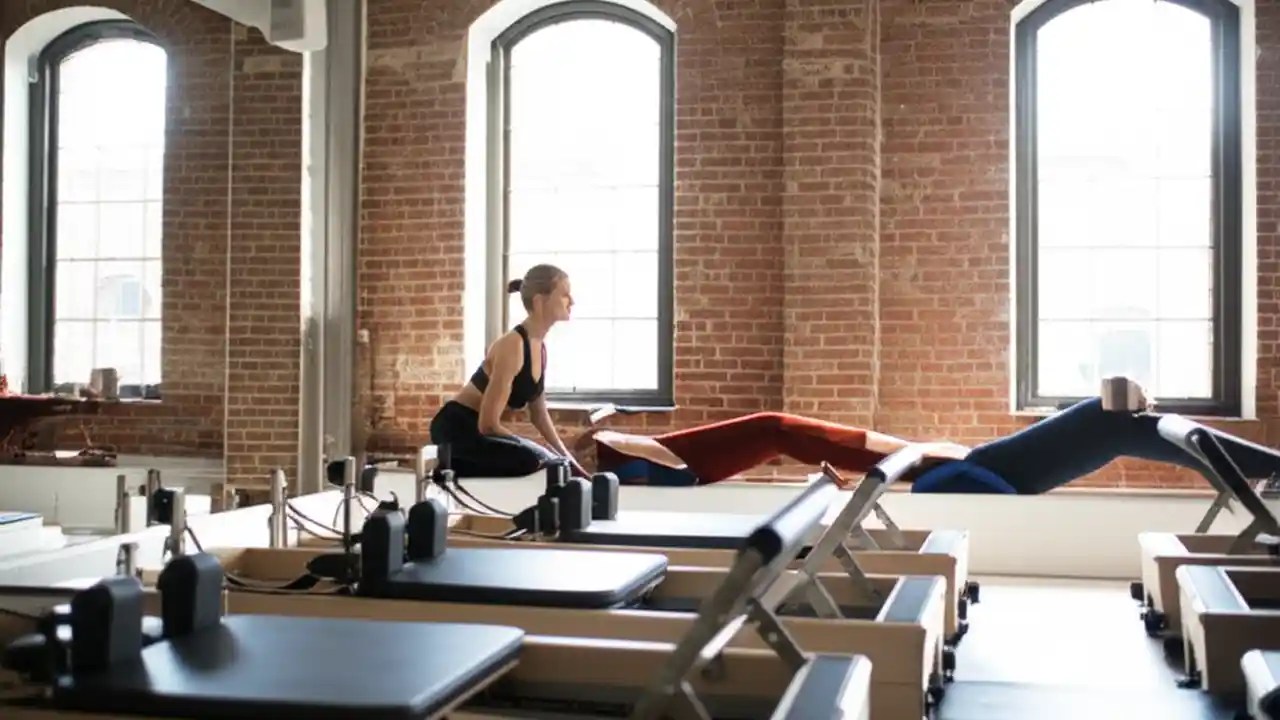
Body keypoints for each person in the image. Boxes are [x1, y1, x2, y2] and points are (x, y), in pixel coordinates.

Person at [573, 378, 1280, 493]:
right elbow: (1119, 395)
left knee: (1124, 417)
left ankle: (1264, 471)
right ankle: (1267, 470)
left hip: (980, 459)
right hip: (979, 461)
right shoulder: (931, 461)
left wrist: (612, 439)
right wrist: (614, 443)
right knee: (1118, 413)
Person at [428, 263, 590, 478]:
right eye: (564, 295)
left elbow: (540, 416)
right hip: (457, 428)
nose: (572, 301)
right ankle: (442, 466)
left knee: (557, 465)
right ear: (540, 301)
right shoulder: (512, 345)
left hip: (480, 432)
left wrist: (571, 463)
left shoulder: (539, 348)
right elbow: (488, 424)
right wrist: (539, 451)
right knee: (535, 460)